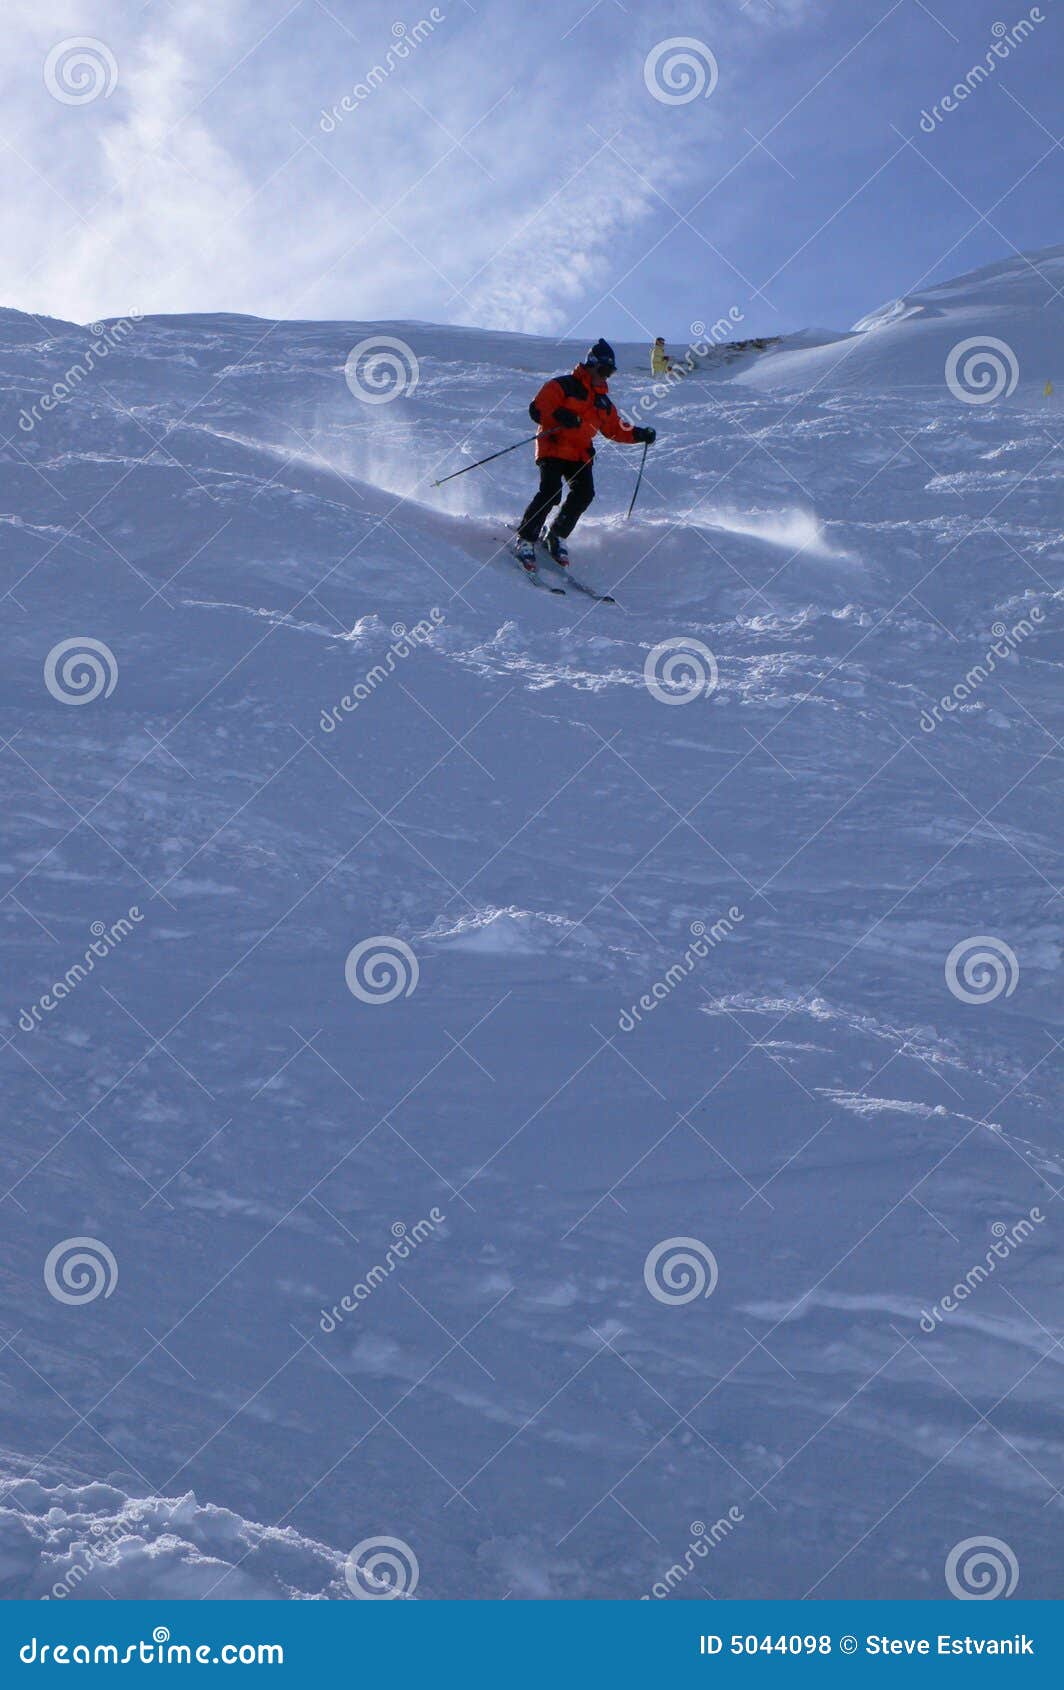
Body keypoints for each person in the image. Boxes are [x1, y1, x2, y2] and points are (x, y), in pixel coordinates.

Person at [514, 339, 655, 569]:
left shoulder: (603, 402)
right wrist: (561, 415)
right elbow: (538, 408)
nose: (606, 376)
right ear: (591, 364)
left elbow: (615, 429)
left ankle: (556, 534)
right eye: (603, 370)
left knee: (585, 493)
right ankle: (526, 538)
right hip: (553, 445)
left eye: (610, 372)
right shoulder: (563, 385)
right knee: (551, 492)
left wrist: (640, 434)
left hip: (579, 454)